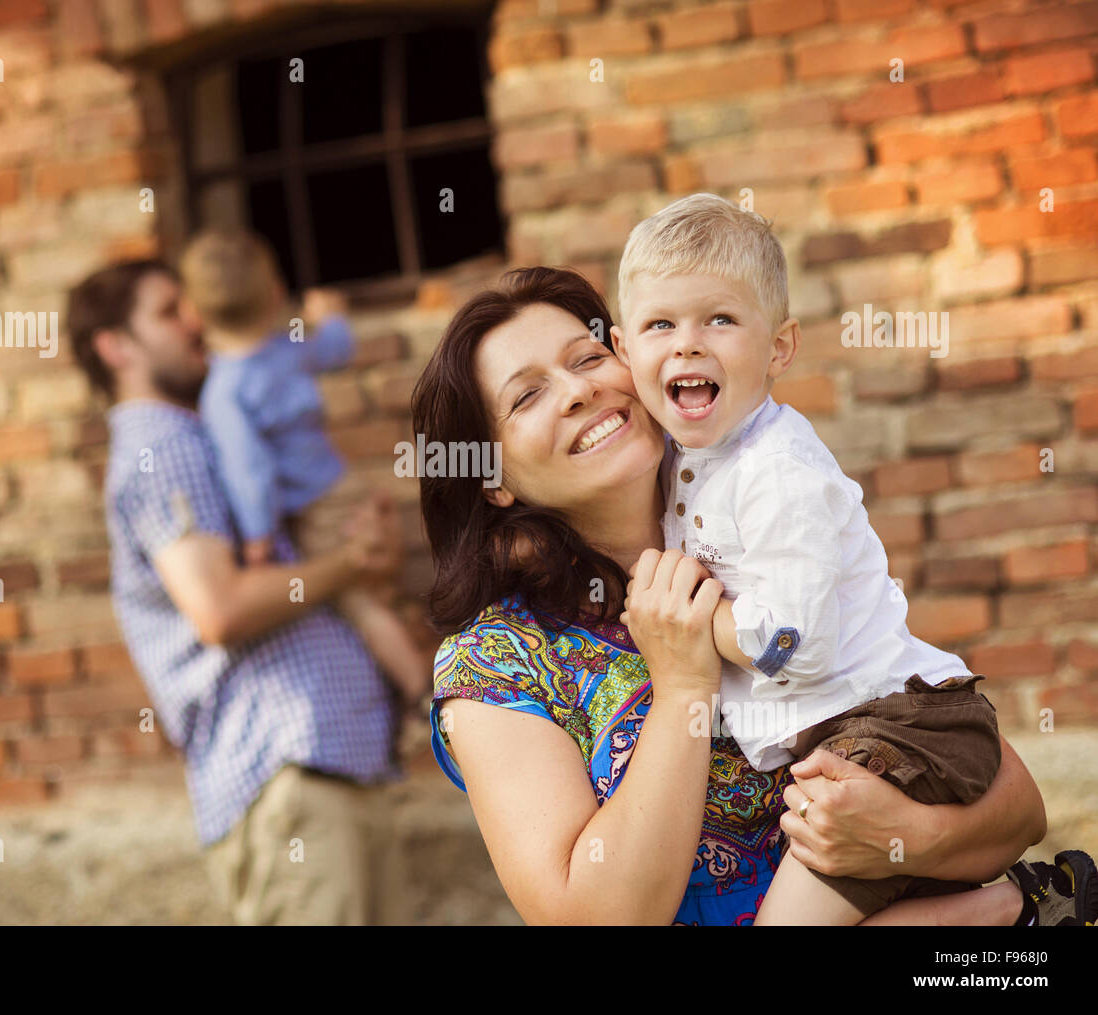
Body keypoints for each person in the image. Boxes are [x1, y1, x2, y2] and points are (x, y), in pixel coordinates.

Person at [413, 265, 1057, 925]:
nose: (579, 390)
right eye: (527, 397)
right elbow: (596, 915)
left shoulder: (756, 538)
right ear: (493, 478)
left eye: (589, 357)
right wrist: (686, 687)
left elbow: (1016, 806)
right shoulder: (498, 661)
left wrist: (903, 840)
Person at [608, 193, 1098, 925]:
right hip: (849, 733)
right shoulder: (690, 454)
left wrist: (688, 624)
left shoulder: (778, 469)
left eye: (720, 318)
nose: (686, 344)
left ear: (779, 348)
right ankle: (1024, 914)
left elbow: (794, 643)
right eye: (659, 324)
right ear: (623, 351)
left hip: (900, 725)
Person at [67, 258, 405, 925]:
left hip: (325, 767)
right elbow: (219, 608)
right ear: (116, 346)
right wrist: (350, 561)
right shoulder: (160, 446)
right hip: (287, 779)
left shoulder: (202, 431)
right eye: (169, 311)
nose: (194, 319)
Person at [178, 229, 429, 712]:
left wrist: (257, 538)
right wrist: (330, 317)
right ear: (275, 295)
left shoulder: (224, 393)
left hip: (316, 509)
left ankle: (420, 695)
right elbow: (336, 349)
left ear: (191, 314)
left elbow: (250, 473)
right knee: (378, 595)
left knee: (361, 605)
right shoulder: (288, 348)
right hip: (343, 484)